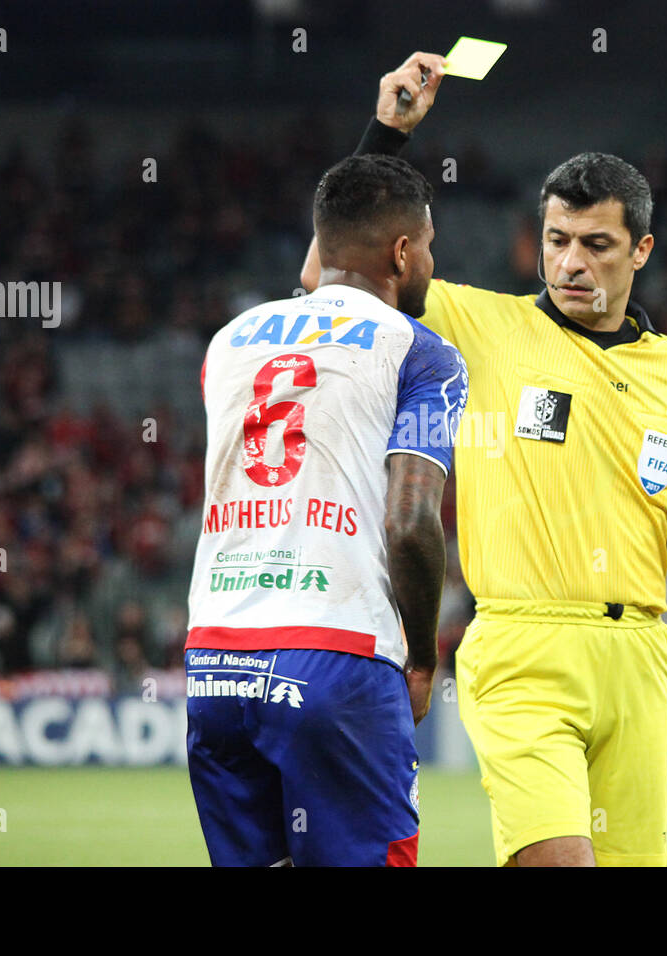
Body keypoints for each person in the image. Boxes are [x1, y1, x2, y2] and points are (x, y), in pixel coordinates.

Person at [300, 53, 667, 867]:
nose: (571, 262)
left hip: (640, 656)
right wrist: (386, 135)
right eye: (557, 240)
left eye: (596, 245)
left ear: (641, 250)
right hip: (518, 645)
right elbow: (332, 276)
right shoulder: (477, 326)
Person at [185, 154, 467, 866]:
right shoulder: (423, 355)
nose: (430, 259)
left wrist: (387, 136)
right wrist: (424, 657)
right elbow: (409, 524)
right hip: (336, 653)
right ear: (403, 252)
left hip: (216, 658)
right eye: (427, 244)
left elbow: (318, 304)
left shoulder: (229, 343)